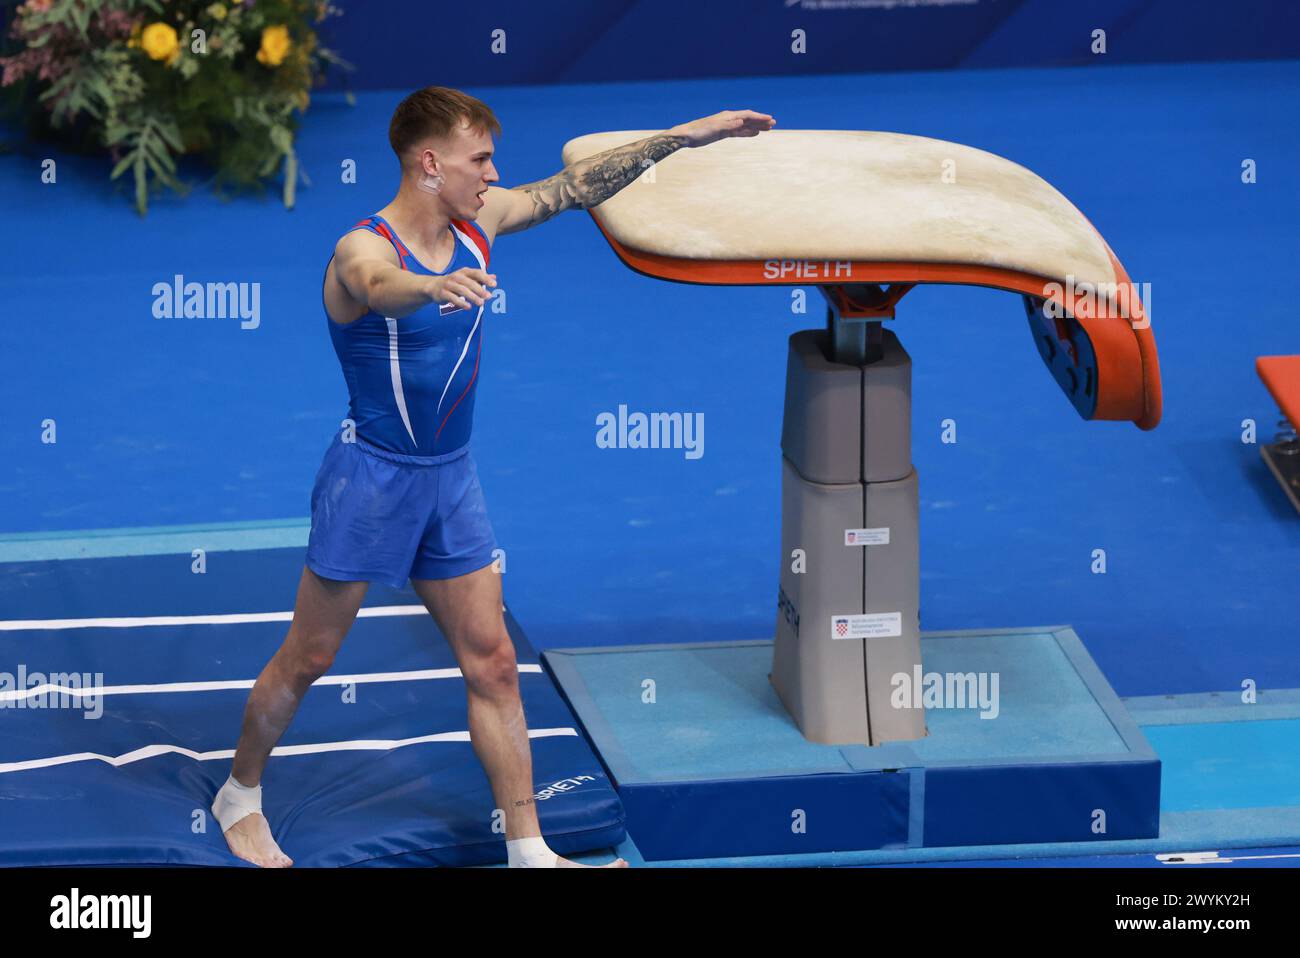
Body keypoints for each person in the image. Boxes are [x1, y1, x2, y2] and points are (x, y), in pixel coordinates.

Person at [211, 86, 776, 867]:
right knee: (310, 657)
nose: (493, 173)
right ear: (430, 163)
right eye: (480, 159)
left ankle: (528, 850)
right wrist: (432, 288)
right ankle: (239, 792)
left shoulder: (482, 223)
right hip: (370, 481)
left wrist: (685, 135)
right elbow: (379, 287)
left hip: (451, 481)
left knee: (496, 661)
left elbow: (573, 188)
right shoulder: (361, 250)